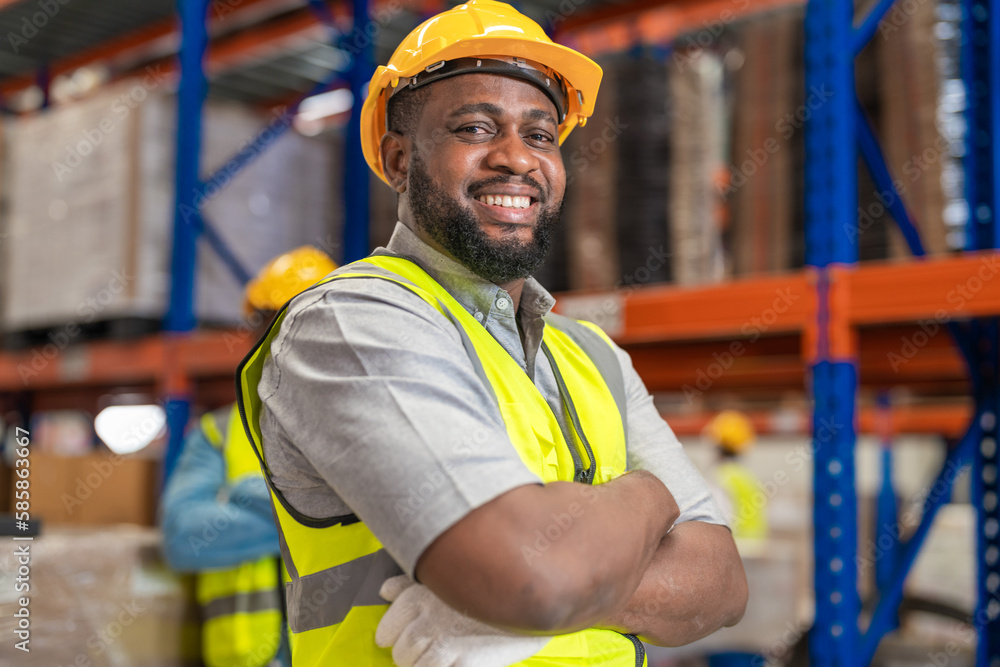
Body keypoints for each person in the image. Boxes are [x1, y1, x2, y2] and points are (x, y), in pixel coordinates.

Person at [237, 2, 748, 665]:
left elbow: (722, 581)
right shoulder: (347, 323)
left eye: (540, 136)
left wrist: (558, 596)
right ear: (398, 159)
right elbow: (532, 577)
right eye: (475, 126)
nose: (516, 159)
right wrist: (650, 496)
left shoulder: (594, 356)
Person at [161, 246, 337, 667]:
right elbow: (183, 537)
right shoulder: (218, 432)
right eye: (273, 322)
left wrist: (244, 494)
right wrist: (312, 514)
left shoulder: (368, 422)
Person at [705, 410, 769, 555]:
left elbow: (718, 519)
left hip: (733, 551)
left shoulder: (720, 476)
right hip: (755, 552)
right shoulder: (747, 477)